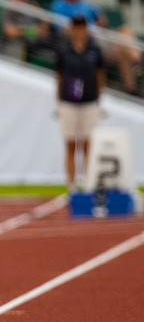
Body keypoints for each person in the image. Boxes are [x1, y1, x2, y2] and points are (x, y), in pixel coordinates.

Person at [55, 14, 105, 190]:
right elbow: (59, 75)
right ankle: (72, 184)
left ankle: (88, 181)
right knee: (70, 143)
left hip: (89, 100)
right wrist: (58, 101)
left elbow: (100, 75)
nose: (78, 30)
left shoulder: (94, 49)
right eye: (75, 27)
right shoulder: (64, 49)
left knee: (87, 143)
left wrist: (99, 99)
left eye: (81, 27)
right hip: (69, 100)